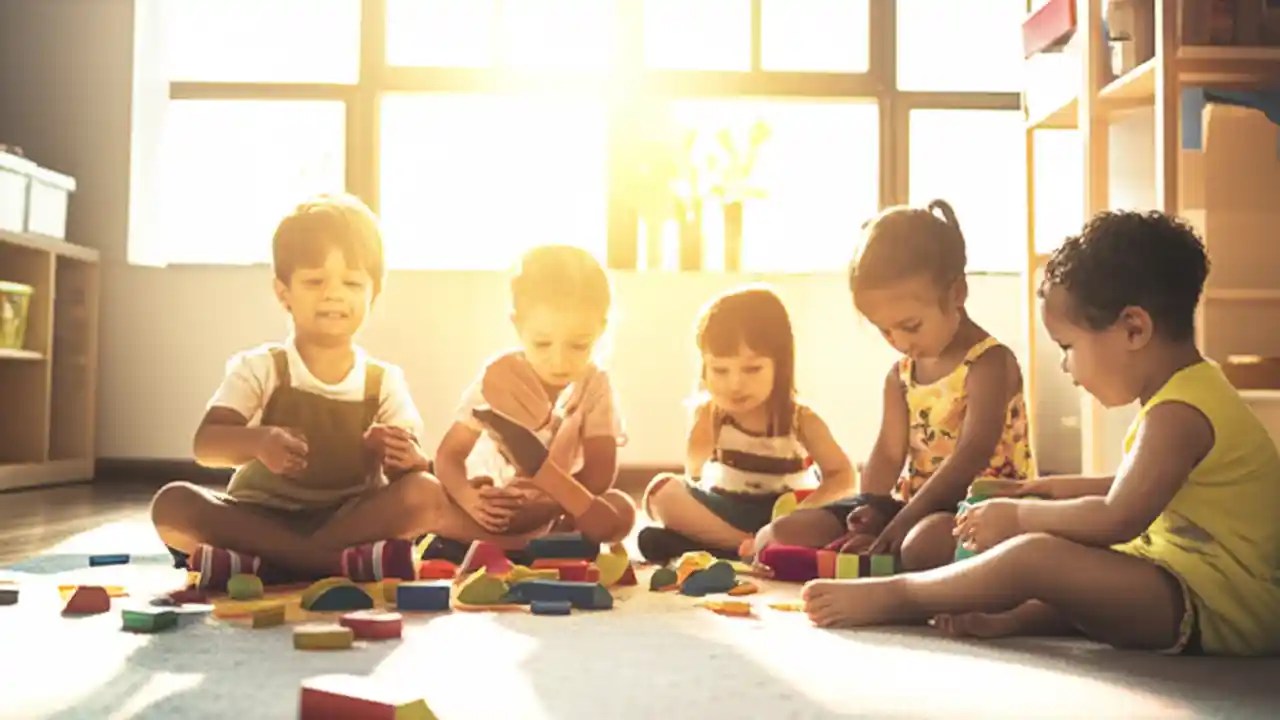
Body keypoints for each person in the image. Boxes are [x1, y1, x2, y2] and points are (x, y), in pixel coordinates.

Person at [804, 210, 1280, 657]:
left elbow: (1118, 516)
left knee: (1035, 555)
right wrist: (1042, 489)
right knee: (1063, 550)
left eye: (1068, 346)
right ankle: (1018, 617)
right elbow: (1138, 491)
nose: (1066, 367)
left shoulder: (1177, 413)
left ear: (1134, 329)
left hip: (1219, 605)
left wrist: (1020, 515)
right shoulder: (1186, 394)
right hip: (1183, 579)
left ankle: (901, 595)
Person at [150, 193, 434, 590]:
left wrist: (404, 456)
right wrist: (259, 442)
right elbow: (206, 445)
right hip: (261, 519)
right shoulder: (262, 368)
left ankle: (267, 565)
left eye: (352, 283)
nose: (334, 294)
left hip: (345, 522)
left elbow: (414, 472)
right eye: (315, 281)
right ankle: (326, 564)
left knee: (425, 491)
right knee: (173, 502)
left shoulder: (383, 381)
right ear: (283, 292)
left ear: (374, 294)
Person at [755, 200, 1033, 571]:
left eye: (910, 326)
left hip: (980, 510)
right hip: (910, 507)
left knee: (924, 543)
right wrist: (870, 504)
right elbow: (888, 453)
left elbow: (971, 454)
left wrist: (903, 522)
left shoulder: (990, 363)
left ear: (956, 294)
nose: (899, 341)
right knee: (783, 530)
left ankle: (872, 562)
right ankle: (873, 557)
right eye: (884, 330)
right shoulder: (900, 375)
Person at [433, 245, 635, 551]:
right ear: (517, 326)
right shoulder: (499, 378)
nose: (560, 362)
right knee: (426, 494)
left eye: (578, 345)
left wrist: (549, 504)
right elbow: (449, 455)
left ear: (601, 329)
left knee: (620, 509)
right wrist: (468, 498)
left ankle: (521, 544)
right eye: (542, 343)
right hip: (492, 506)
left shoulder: (595, 385)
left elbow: (600, 471)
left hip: (555, 508)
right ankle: (496, 541)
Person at [636, 285, 856, 564]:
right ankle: (744, 546)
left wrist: (802, 511)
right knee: (661, 491)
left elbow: (844, 476)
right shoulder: (713, 415)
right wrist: (703, 421)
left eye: (752, 369)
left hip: (782, 514)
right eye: (720, 370)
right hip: (727, 510)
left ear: (781, 365)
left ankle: (737, 547)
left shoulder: (800, 419)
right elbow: (693, 469)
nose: (735, 384)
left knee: (836, 522)